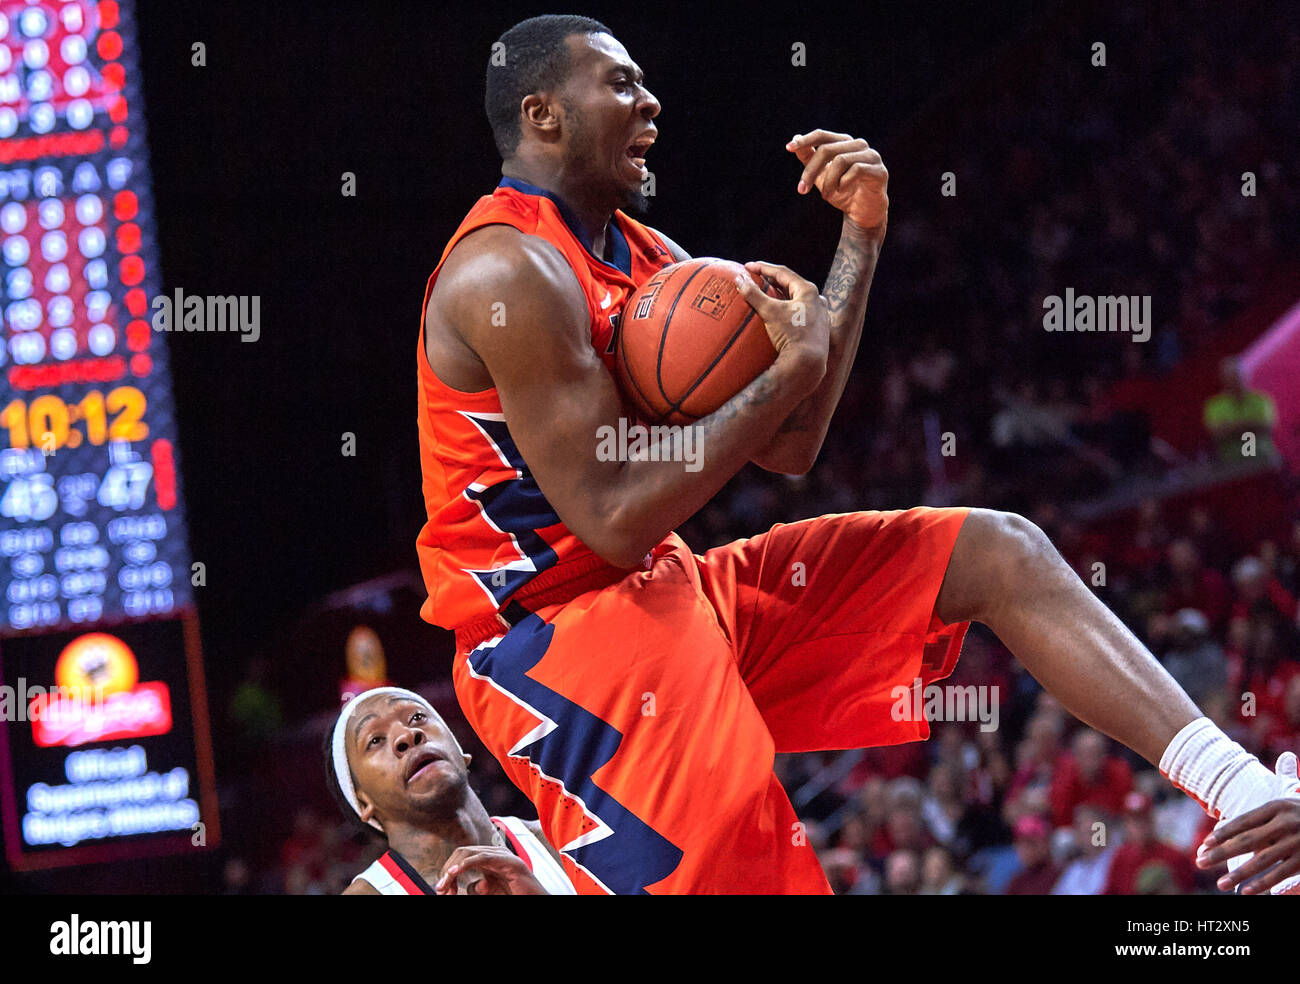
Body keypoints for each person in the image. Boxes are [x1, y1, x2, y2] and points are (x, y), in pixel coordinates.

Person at [414, 14, 1300, 893]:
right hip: (550, 637)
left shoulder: (650, 258)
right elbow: (607, 519)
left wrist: (860, 242)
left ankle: (1245, 793)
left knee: (998, 551)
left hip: (664, 581)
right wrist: (787, 370)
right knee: (740, 862)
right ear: (543, 116)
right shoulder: (508, 272)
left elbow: (792, 443)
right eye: (617, 82)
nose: (649, 101)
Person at [326, 687, 575, 895]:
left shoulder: (557, 839)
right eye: (375, 741)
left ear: (459, 749)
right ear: (363, 802)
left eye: (417, 718)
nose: (407, 735)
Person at [1203, 356, 1277, 463]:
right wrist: (1251, 424)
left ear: (1245, 376)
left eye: (1237, 376)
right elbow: (1217, 433)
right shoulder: (1214, 405)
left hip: (1263, 457)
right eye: (1230, 377)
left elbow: (1266, 426)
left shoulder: (1261, 400)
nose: (1235, 381)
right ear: (1224, 379)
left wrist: (1231, 426)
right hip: (1231, 462)